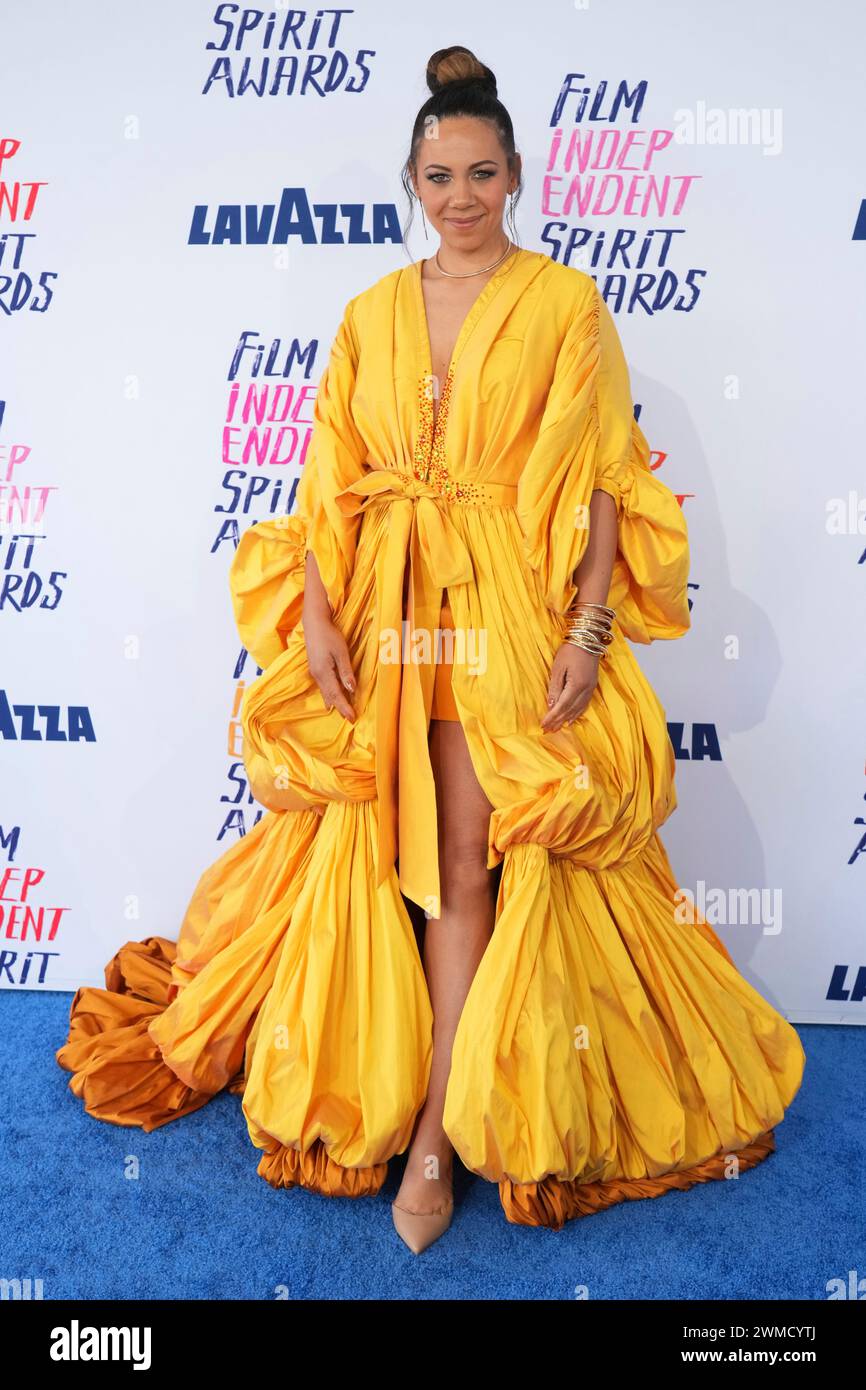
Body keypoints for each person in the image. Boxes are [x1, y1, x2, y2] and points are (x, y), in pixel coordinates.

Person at [56, 45, 806, 1257]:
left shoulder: (566, 304)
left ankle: (437, 1139)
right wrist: (311, 612)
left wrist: (589, 628)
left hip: (500, 611)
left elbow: (601, 477)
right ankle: (407, 1081)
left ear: (515, 176)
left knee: (464, 857)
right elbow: (326, 482)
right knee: (382, 844)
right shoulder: (364, 315)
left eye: (481, 173)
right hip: (381, 607)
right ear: (412, 182)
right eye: (437, 175)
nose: (459, 196)